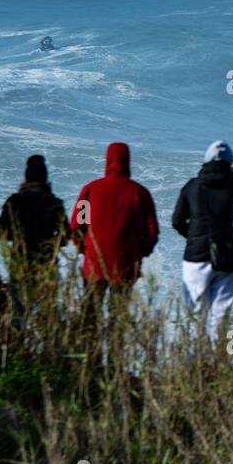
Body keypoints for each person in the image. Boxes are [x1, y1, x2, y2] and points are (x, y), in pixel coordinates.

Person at [70, 142, 159, 338]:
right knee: (118, 318)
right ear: (128, 161)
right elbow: (152, 232)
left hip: (94, 264)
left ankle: (89, 363)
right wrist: (138, 255)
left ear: (107, 160)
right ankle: (113, 363)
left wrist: (85, 250)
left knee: (89, 316)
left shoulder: (90, 191)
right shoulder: (140, 194)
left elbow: (77, 226)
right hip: (125, 266)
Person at [171, 141, 233, 340]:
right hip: (227, 254)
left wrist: (192, 237)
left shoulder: (191, 186)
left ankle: (193, 363)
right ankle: (225, 360)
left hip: (195, 256)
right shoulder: (232, 185)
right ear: (229, 163)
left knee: (195, 315)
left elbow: (177, 221)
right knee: (222, 314)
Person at [0, 154, 67, 278]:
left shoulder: (14, 201)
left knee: (19, 296)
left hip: (20, 261)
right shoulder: (55, 203)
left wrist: (15, 239)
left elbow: (1, 230)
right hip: (47, 262)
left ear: (26, 176)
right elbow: (66, 235)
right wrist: (52, 244)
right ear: (45, 177)